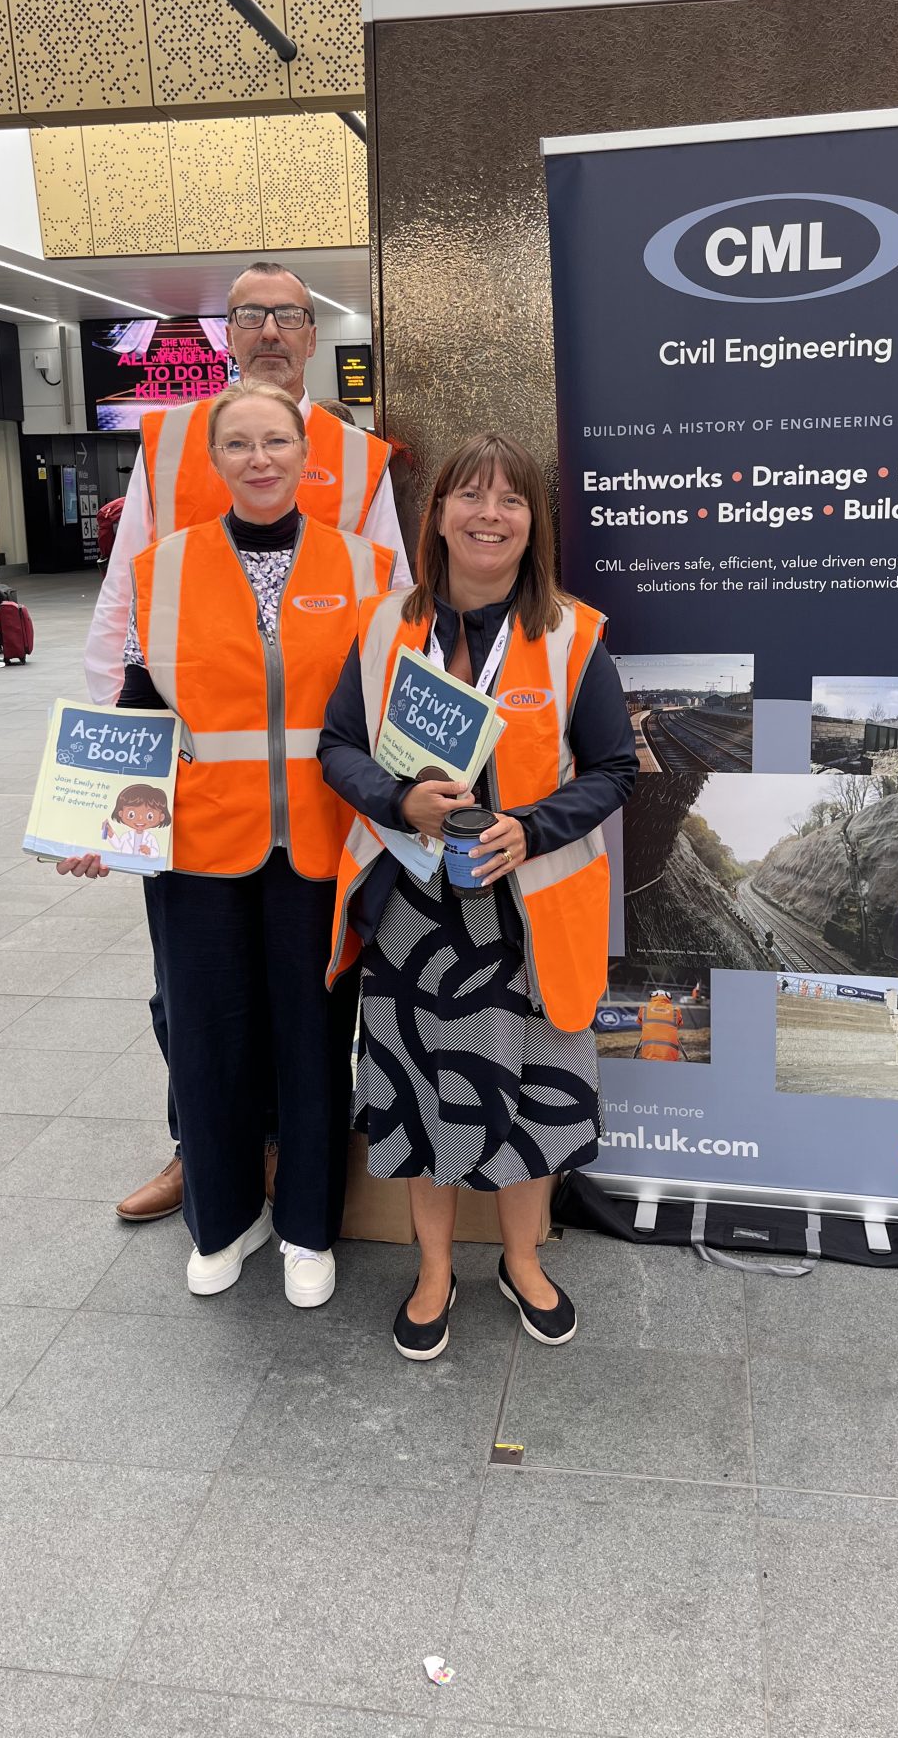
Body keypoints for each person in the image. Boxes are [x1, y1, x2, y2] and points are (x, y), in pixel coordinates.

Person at [59, 381, 395, 1308]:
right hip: (197, 848)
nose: (259, 458)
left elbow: (388, 704)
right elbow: (139, 705)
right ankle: (224, 1219)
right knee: (207, 1040)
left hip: (321, 848)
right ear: (213, 462)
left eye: (275, 442)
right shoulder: (161, 567)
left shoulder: (367, 567)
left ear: (304, 455)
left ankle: (308, 1228)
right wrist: (99, 822)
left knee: (314, 1040)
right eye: (239, 444)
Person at [320, 432, 637, 1360]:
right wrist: (398, 800)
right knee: (425, 1098)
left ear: (533, 524)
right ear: (438, 516)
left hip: (532, 919)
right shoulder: (385, 626)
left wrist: (531, 828)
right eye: (469, 495)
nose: (488, 515)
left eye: (510, 500)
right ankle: (433, 1270)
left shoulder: (573, 633)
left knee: (535, 1098)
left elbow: (614, 767)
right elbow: (337, 745)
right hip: (415, 913)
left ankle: (523, 1262)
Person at [637, 990, 684, 1062]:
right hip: (669, 1056)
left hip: (648, 1054)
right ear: (668, 997)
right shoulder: (676, 1010)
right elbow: (680, 1024)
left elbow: (640, 1022)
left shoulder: (644, 1008)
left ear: (653, 996)